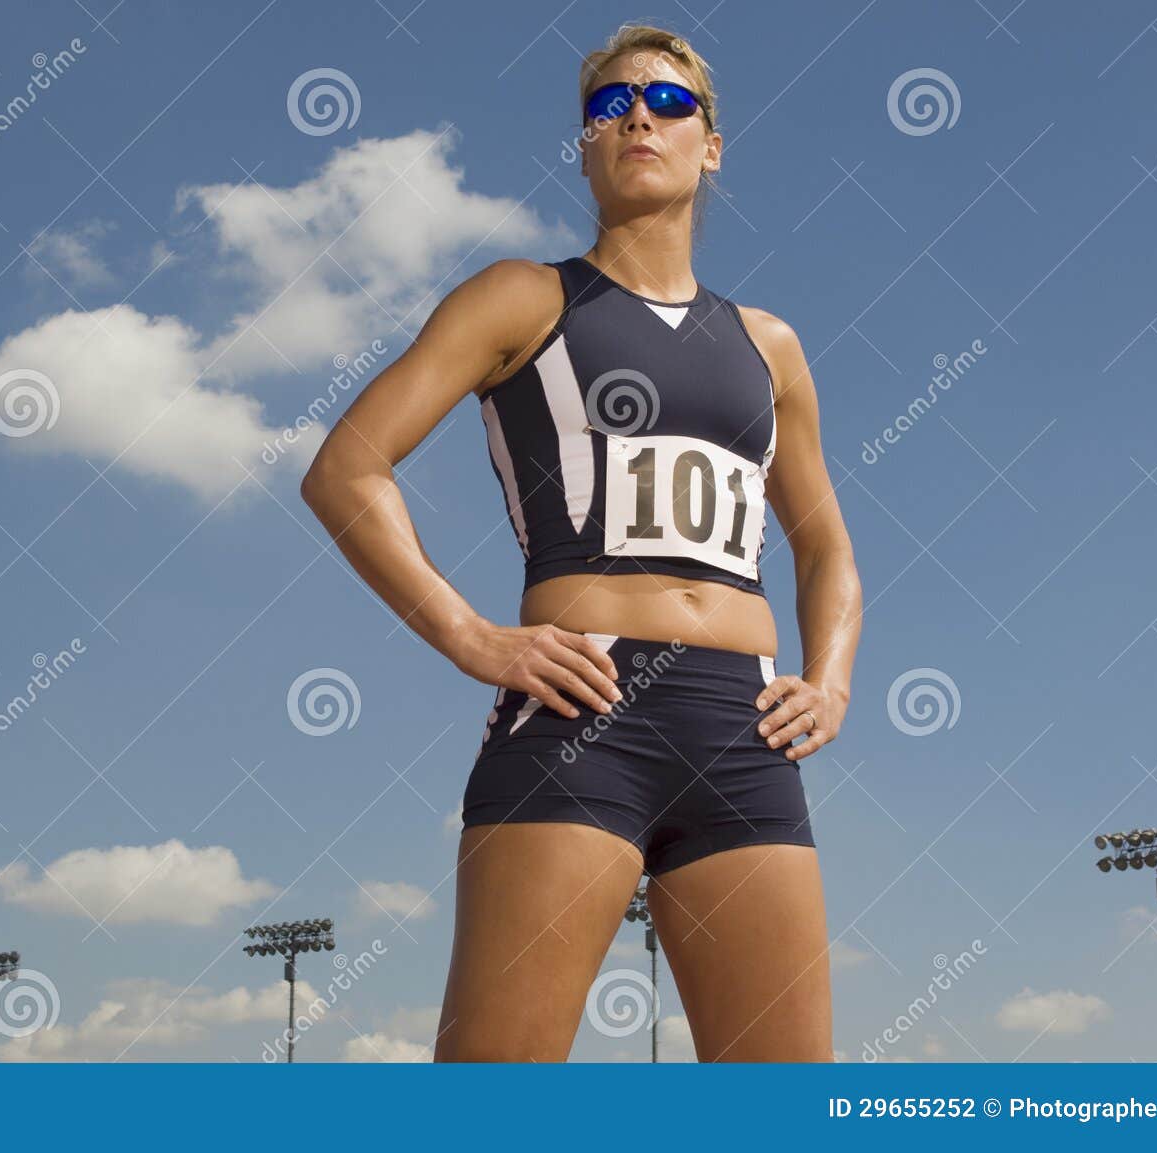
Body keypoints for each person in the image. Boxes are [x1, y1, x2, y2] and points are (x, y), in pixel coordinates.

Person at [301, 23, 861, 1062]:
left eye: (667, 101)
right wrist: (470, 637)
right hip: (579, 712)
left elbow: (823, 543)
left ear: (712, 143)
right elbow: (344, 468)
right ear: (586, 148)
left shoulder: (770, 346)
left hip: (741, 730)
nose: (636, 116)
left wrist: (826, 682)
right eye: (607, 106)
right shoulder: (521, 297)